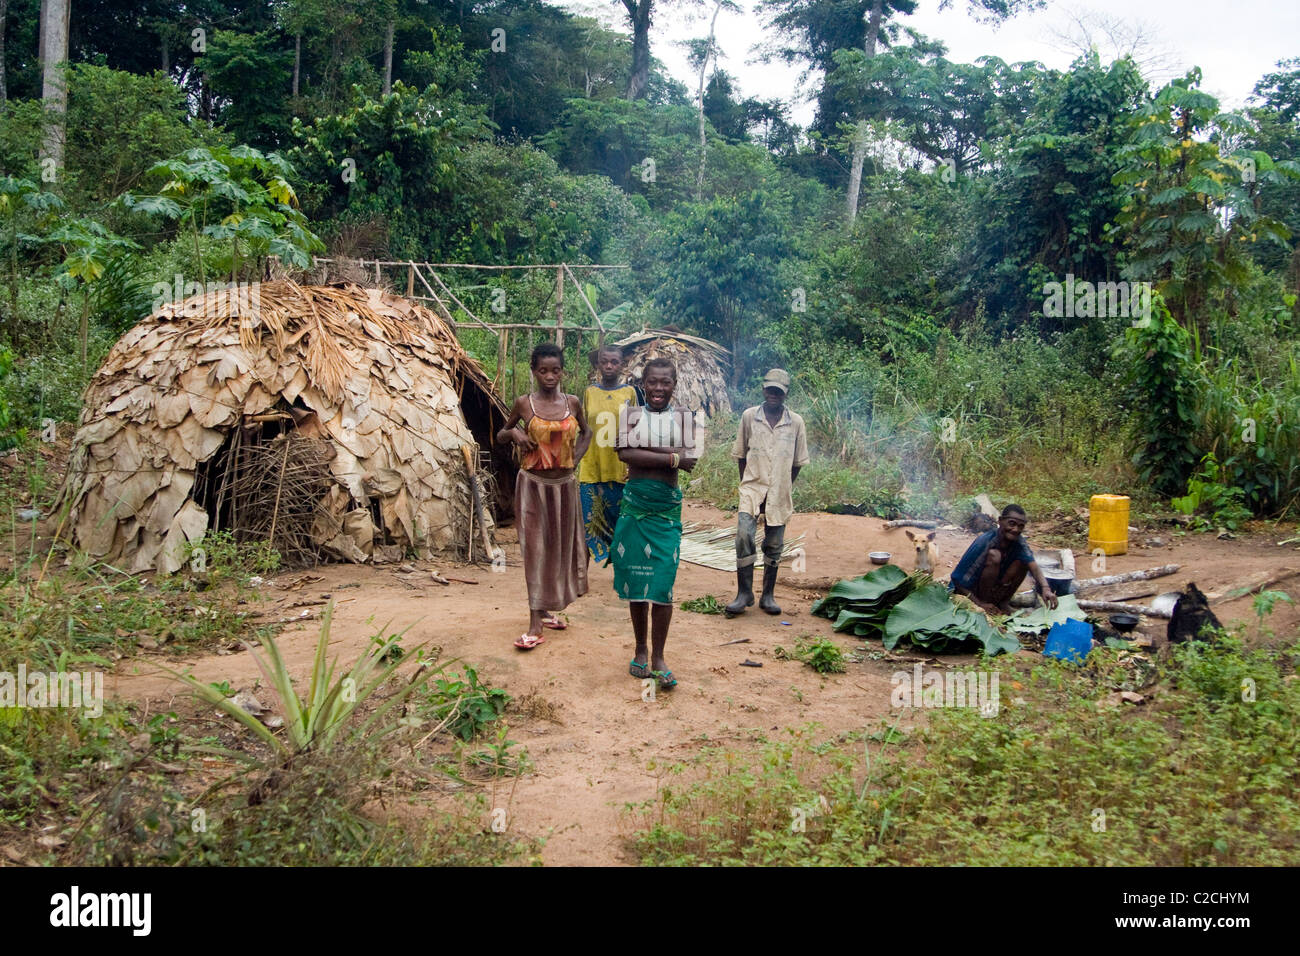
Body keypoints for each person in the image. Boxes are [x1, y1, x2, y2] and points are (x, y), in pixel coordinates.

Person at [496, 343, 593, 650]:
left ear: (562, 371)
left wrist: (575, 458)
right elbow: (500, 434)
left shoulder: (573, 403)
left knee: (558, 550)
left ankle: (547, 609)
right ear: (534, 371)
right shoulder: (525, 404)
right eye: (543, 371)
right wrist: (514, 434)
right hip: (533, 485)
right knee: (535, 551)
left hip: (564, 487)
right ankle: (535, 623)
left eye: (555, 370)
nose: (550, 376)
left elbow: (587, 433)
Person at [610, 357, 697, 689]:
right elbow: (624, 453)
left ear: (674, 383)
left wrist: (643, 447)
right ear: (643, 382)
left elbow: (689, 461)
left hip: (665, 511)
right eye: (653, 382)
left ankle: (659, 656)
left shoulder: (686, 418)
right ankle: (640, 649)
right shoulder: (631, 414)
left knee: (662, 585)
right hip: (635, 507)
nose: (659, 388)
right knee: (637, 581)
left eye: (666, 382)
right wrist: (671, 455)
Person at [725, 369, 809, 617]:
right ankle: (744, 593)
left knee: (774, 544)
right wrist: (749, 485)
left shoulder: (796, 422)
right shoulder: (750, 417)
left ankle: (768, 595)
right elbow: (741, 455)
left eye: (778, 391)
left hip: (780, 492)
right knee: (743, 537)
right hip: (751, 488)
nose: (773, 395)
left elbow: (797, 463)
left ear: (785, 394)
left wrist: (782, 487)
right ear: (763, 389)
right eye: (770, 390)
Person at [577, 344, 643, 563]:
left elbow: (637, 429)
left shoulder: (630, 393)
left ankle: (625, 575)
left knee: (623, 525)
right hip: (592, 467)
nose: (609, 366)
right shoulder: (589, 393)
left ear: (622, 365)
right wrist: (574, 460)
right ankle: (580, 575)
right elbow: (584, 430)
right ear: (598, 364)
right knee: (588, 523)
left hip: (620, 469)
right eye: (604, 361)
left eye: (614, 362)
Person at [949, 504, 1059, 615]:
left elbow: (1033, 566)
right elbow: (957, 581)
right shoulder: (984, 542)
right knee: (994, 556)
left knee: (1024, 562)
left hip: (991, 589)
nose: (1016, 529)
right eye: (1012, 523)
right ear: (1000, 521)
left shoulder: (1019, 542)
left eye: (1020, 526)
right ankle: (986, 604)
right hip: (967, 593)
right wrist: (980, 604)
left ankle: (1002, 603)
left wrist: (1046, 588)